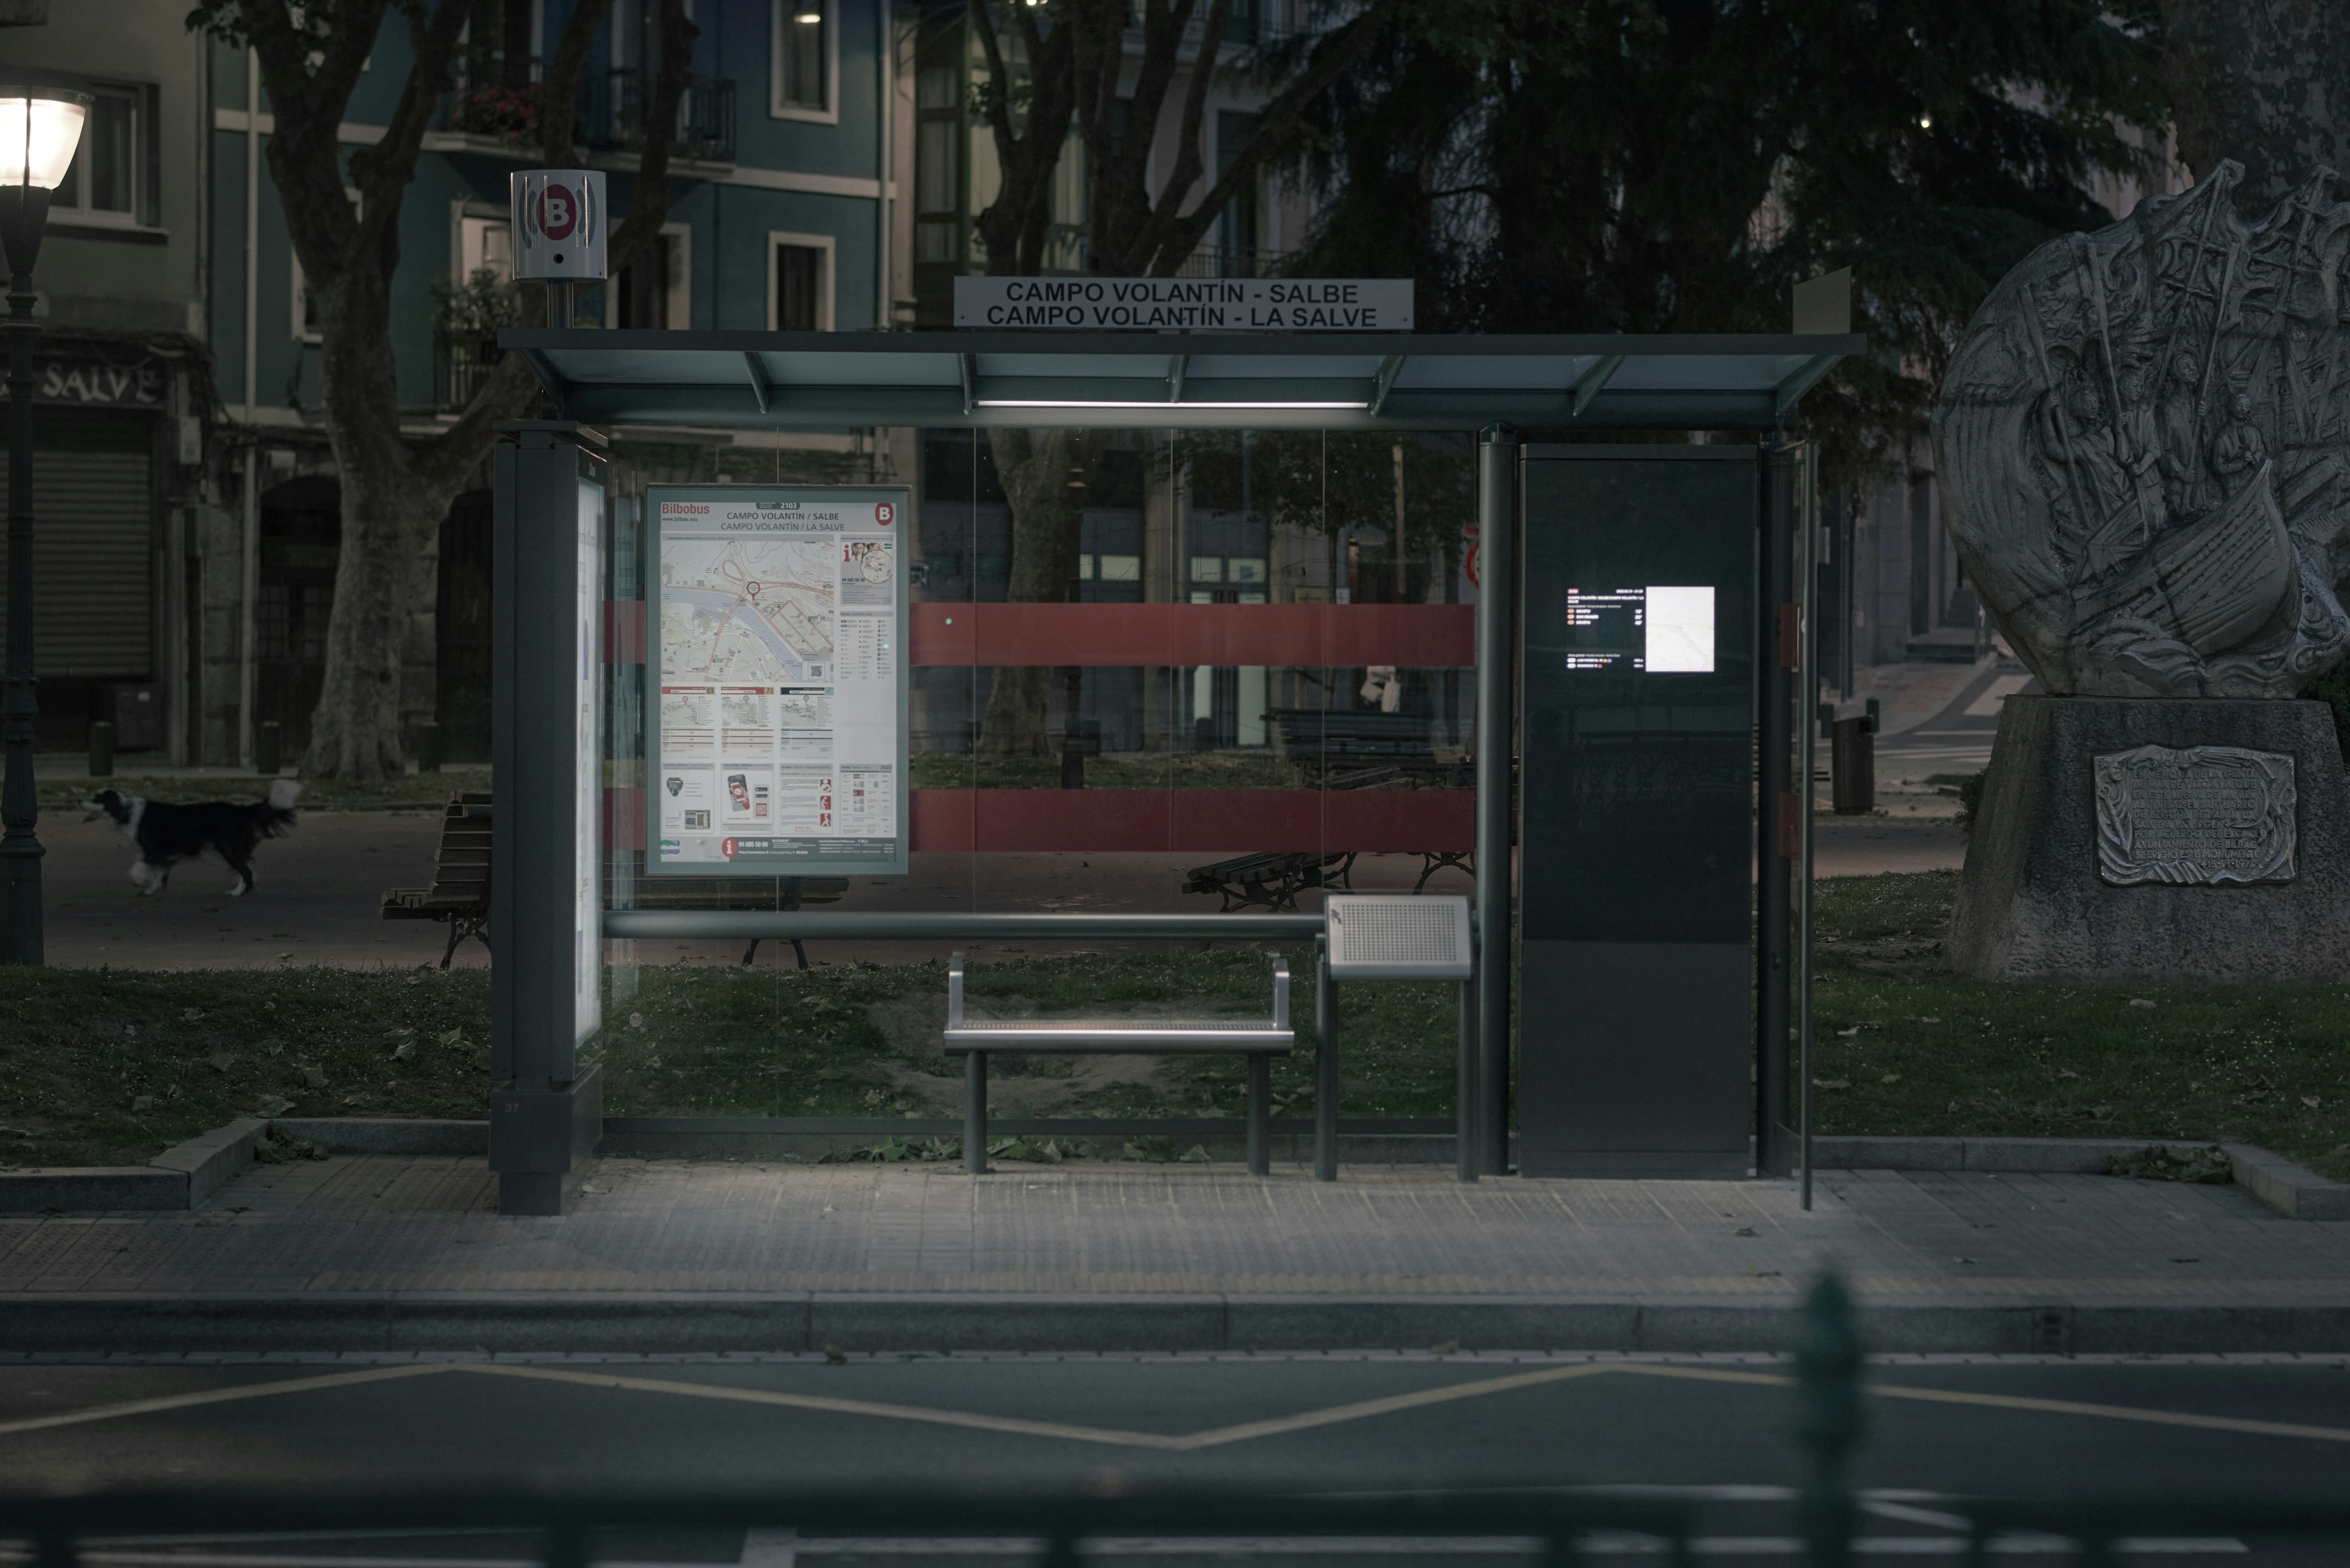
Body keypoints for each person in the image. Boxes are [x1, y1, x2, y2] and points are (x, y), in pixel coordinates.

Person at [2210, 389, 2267, 499]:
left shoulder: (2253, 432)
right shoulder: (2223, 437)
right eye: (2240, 405)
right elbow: (2219, 466)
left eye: (2247, 406)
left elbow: (2261, 452)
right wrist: (2240, 464)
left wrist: (2253, 459)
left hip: (2254, 483)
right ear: (2232, 406)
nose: (2243, 409)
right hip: (2233, 487)